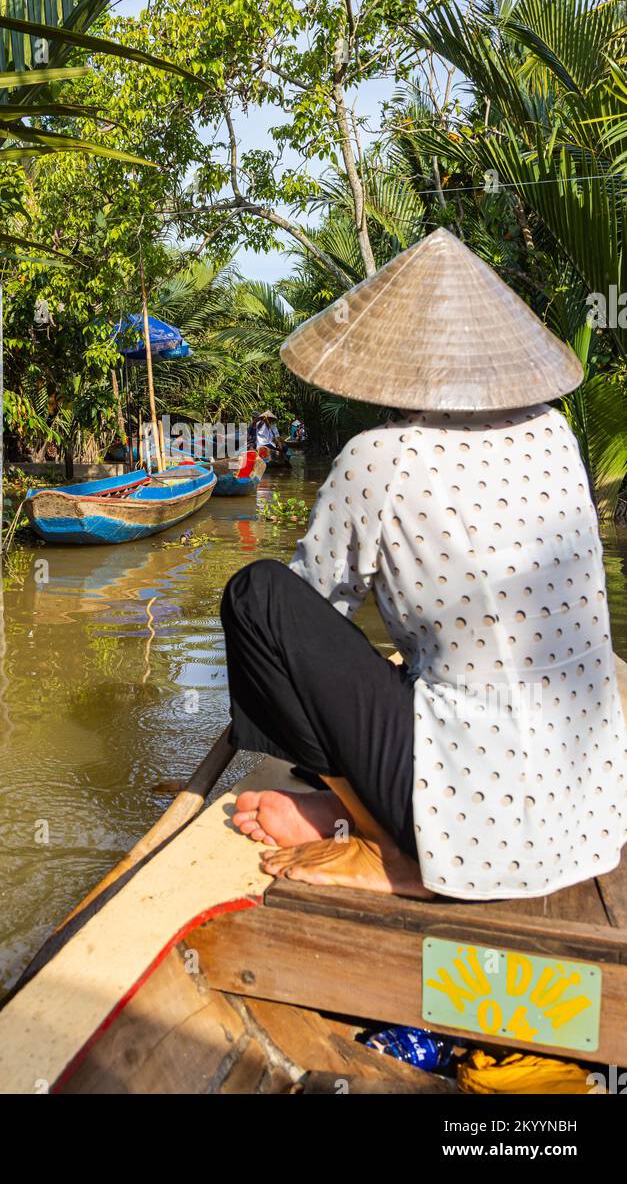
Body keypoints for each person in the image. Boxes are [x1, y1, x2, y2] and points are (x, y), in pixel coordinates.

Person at [222, 228, 626, 900]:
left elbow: (314, 604)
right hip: (587, 813)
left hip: (484, 818)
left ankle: (385, 850)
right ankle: (349, 809)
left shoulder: (381, 455)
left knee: (257, 595)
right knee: (437, 669)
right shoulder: (555, 433)